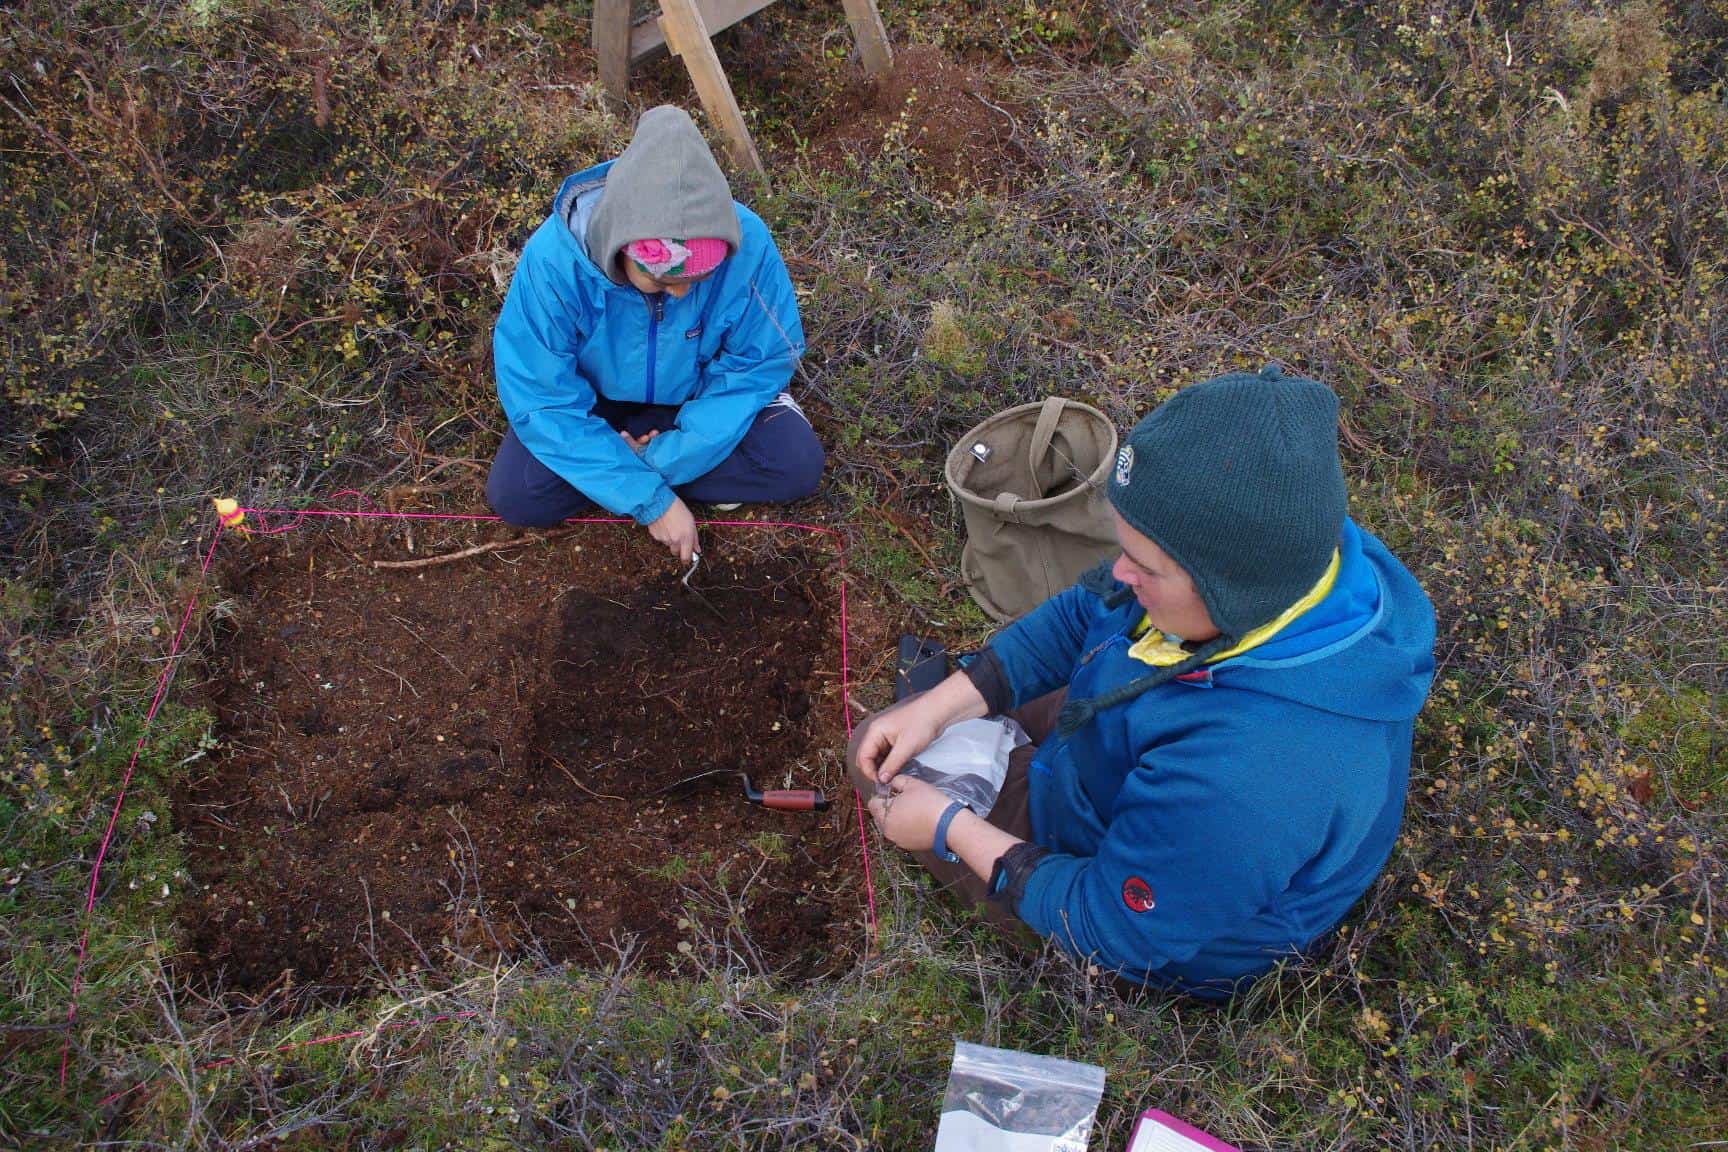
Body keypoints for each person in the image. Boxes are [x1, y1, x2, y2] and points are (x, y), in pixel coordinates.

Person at [850, 365, 1437, 998]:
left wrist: (947, 827)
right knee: (918, 725)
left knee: (869, 759)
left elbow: (1115, 927)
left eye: (1147, 567)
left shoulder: (1247, 780)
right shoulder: (1288, 555)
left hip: (1152, 928)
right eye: (1125, 547)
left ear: (1227, 592)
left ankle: (999, 778)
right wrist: (941, 706)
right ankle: (1003, 745)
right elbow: (1089, 607)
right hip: (1146, 726)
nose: (1120, 571)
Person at [487, 105, 824, 562]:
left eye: (697, 280)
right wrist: (653, 501)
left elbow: (757, 364)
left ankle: (627, 468)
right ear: (620, 247)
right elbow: (542, 397)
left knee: (797, 463)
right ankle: (635, 471)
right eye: (664, 281)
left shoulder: (750, 246)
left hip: (697, 398)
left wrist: (664, 459)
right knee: (518, 495)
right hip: (596, 406)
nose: (682, 293)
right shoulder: (554, 261)